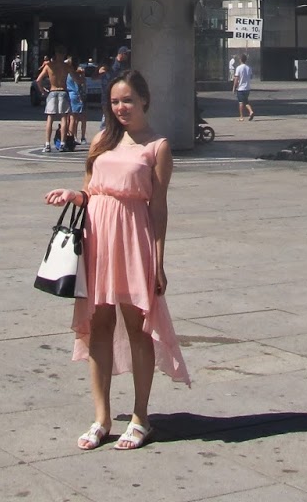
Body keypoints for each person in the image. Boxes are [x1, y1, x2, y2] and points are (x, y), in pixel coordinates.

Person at [44, 69, 189, 451]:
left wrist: (158, 262)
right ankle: (101, 416)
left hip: (133, 239)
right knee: (98, 325)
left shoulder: (157, 147)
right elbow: (90, 190)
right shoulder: (101, 139)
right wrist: (73, 195)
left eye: (127, 100)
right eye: (114, 101)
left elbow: (158, 209)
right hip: (97, 239)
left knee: (137, 326)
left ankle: (141, 416)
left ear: (144, 100)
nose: (121, 107)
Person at [38, 46, 71, 149]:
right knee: (63, 117)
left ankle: (47, 143)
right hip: (63, 91)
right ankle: (62, 143)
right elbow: (77, 79)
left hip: (52, 91)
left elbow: (38, 80)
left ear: (55, 54)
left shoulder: (49, 66)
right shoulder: (66, 66)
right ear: (64, 54)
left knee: (50, 118)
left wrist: (42, 90)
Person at [231, 55, 255, 120]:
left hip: (240, 88)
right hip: (247, 88)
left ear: (240, 60)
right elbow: (251, 77)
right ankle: (250, 112)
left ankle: (242, 116)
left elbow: (236, 78)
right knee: (246, 101)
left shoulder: (238, 68)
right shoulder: (249, 68)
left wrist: (234, 87)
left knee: (241, 102)